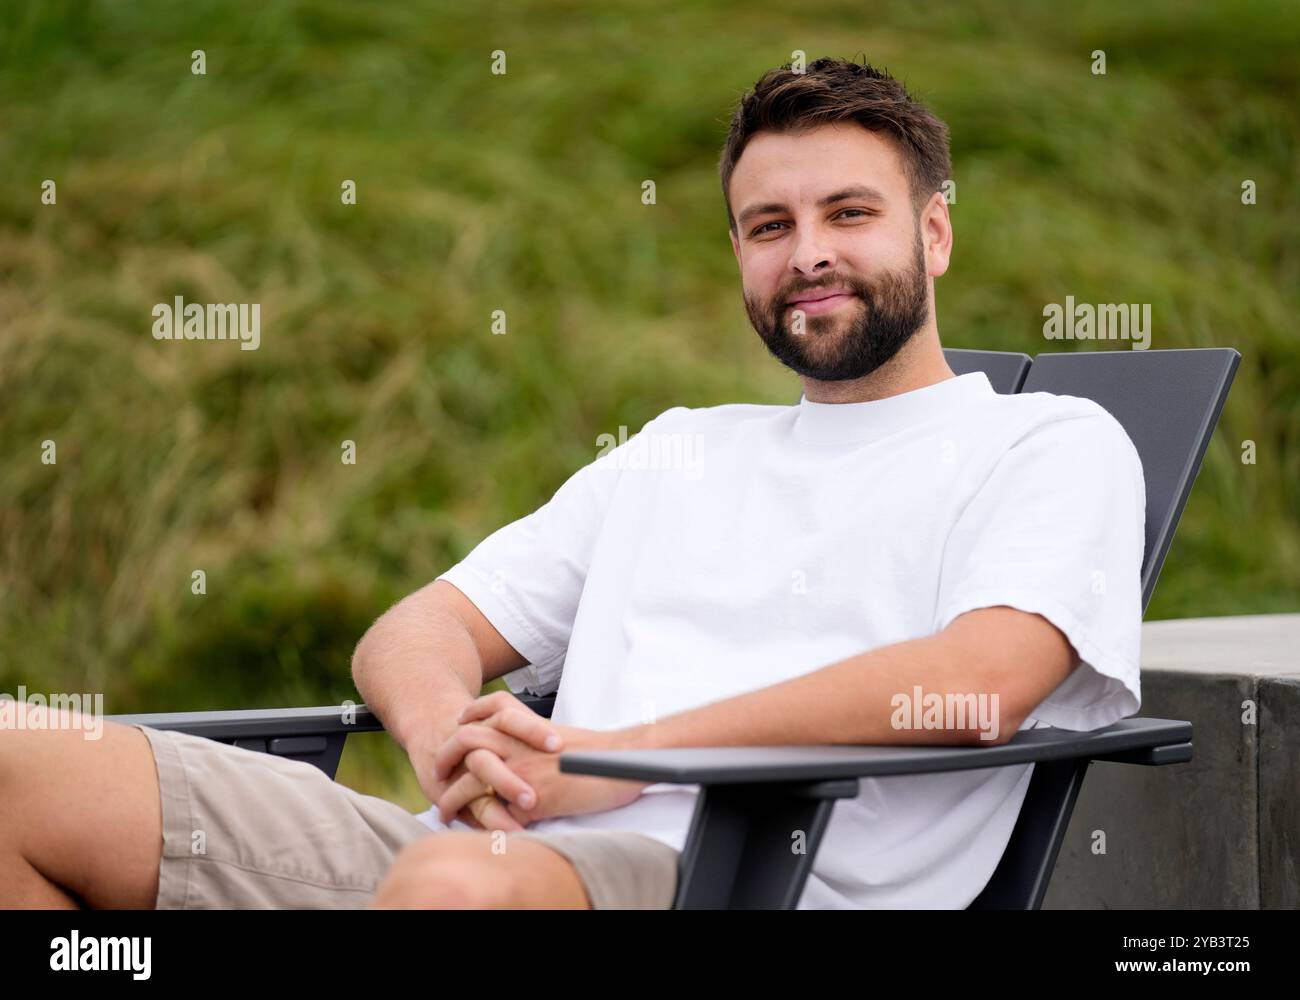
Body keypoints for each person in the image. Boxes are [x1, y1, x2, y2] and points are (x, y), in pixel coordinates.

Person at [0, 56, 1145, 910]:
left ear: (934, 234)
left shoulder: (1045, 445)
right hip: (471, 857)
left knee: (456, 887)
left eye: (851, 213)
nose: (808, 255)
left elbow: (982, 681)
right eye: (767, 225)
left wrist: (606, 756)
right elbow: (420, 625)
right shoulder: (681, 447)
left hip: (734, 883)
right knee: (20, 767)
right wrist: (461, 741)